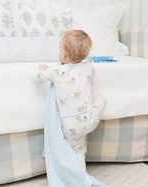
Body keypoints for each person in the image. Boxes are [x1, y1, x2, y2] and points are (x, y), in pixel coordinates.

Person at [35, 29, 106, 162]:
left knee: (77, 151)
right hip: (89, 119)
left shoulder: (55, 71)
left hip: (70, 125)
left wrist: (42, 69)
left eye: (60, 49)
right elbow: (88, 70)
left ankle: (77, 175)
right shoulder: (89, 68)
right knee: (101, 100)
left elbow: (38, 78)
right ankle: (81, 175)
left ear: (64, 53)